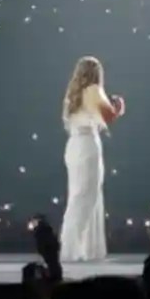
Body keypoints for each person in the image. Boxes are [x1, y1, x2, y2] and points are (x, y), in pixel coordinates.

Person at [59, 56, 125, 262]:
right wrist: (119, 106)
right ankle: (70, 250)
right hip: (87, 145)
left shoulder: (72, 94)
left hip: (73, 145)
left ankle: (82, 248)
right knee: (86, 198)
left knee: (79, 196)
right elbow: (109, 116)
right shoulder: (93, 91)